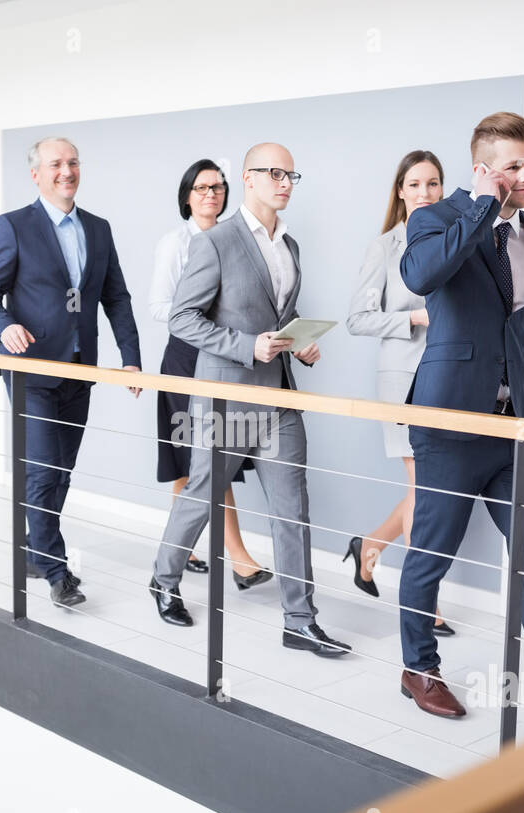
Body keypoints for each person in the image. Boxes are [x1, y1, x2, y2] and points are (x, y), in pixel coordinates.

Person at [397, 112, 524, 725]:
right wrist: (482, 207)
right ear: (483, 170)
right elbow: (421, 276)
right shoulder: (435, 218)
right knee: (433, 553)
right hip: (450, 422)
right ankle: (418, 668)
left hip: (515, 430)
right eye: (514, 166)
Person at [149, 142, 350, 659]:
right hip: (228, 401)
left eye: (291, 174)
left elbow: (276, 312)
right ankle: (164, 579)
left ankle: (300, 621)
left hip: (279, 398)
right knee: (200, 495)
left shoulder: (291, 246)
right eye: (274, 173)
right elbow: (181, 318)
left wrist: (296, 342)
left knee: (293, 512)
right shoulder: (216, 241)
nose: (285, 182)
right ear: (248, 177)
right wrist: (246, 346)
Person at [0, 136, 142, 609]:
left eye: (72, 163)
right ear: (36, 174)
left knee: (61, 471)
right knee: (43, 472)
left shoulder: (98, 228)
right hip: (30, 372)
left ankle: (33, 548)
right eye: (55, 164)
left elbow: (116, 298)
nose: (65, 171)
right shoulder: (14, 226)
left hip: (78, 370)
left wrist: (130, 358)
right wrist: (5, 327)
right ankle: (55, 569)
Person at [345, 150, 454, 637]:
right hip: (402, 380)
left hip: (450, 379)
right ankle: (423, 604)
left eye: (433, 184)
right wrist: (415, 317)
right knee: (426, 492)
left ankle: (369, 546)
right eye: (415, 184)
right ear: (401, 191)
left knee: (427, 490)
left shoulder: (456, 244)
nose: (425, 193)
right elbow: (358, 319)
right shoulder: (384, 247)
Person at [150, 159, 269, 589]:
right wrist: (208, 317)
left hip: (230, 358)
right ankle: (234, 557)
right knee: (202, 461)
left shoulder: (236, 239)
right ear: (187, 196)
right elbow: (161, 306)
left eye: (218, 187)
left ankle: (190, 549)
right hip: (187, 359)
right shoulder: (174, 243)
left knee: (202, 462)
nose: (211, 195)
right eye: (201, 188)